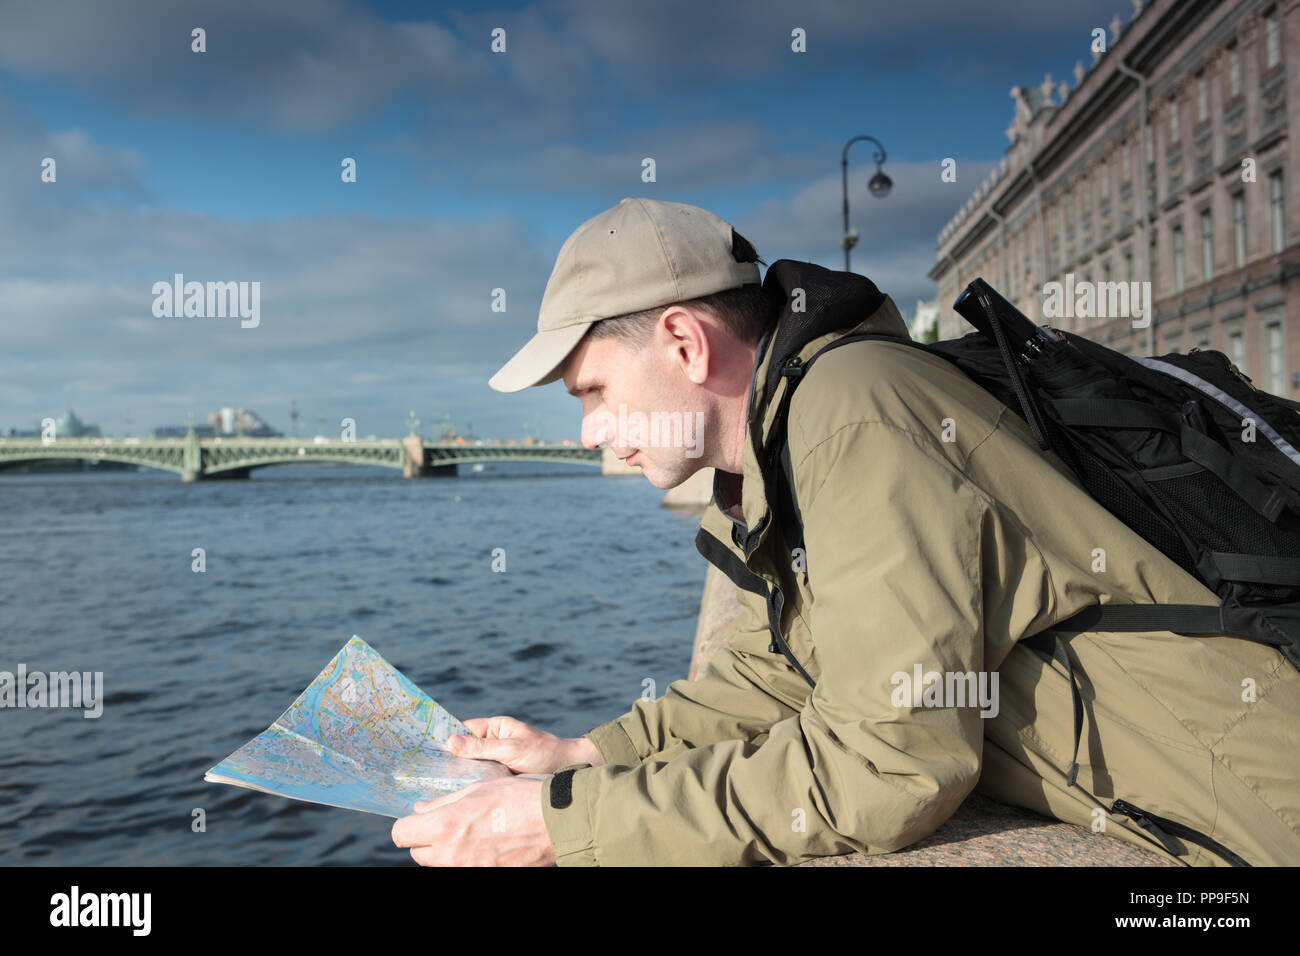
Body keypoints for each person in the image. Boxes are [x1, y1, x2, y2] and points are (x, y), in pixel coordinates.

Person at [391, 197, 1300, 867]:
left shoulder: (855, 411)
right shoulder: (768, 457)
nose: (588, 432)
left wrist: (560, 826)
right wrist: (585, 757)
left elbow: (890, 765)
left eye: (590, 391)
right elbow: (776, 674)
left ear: (682, 342)